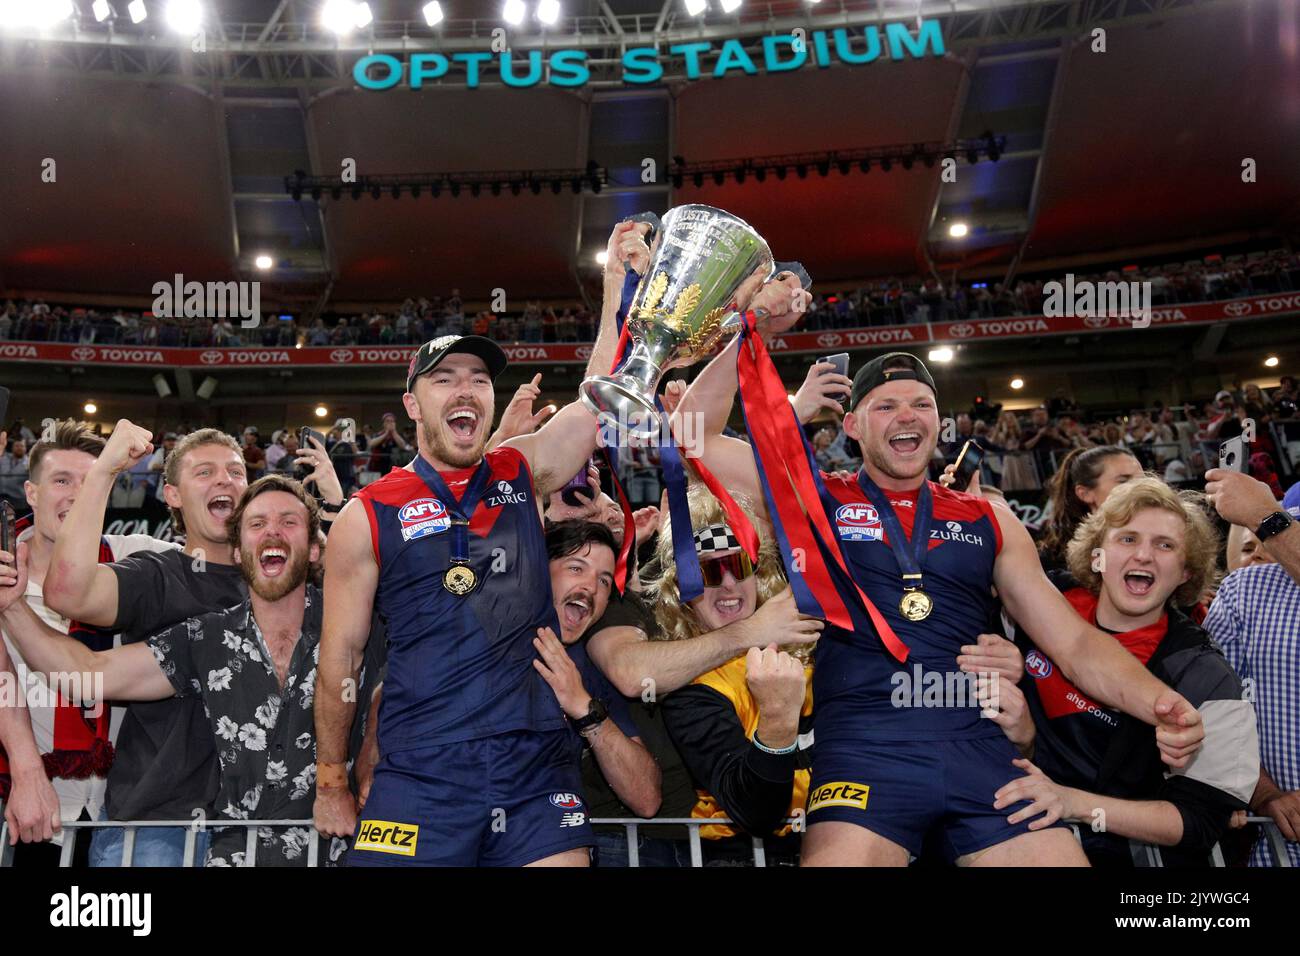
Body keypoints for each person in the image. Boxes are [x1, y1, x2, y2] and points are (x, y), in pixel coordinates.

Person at [676, 339, 1205, 867]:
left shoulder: (989, 518)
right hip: (865, 753)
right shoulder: (815, 499)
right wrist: (750, 328)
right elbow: (690, 431)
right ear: (853, 427)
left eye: (921, 404)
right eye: (885, 405)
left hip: (978, 749)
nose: (906, 415)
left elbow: (1075, 644)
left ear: (938, 422)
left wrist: (1163, 705)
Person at [313, 220, 650, 867]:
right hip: (422, 776)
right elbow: (340, 664)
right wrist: (331, 778)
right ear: (411, 405)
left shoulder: (518, 470)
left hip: (534, 774)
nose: (465, 389)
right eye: (445, 379)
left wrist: (615, 289)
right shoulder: (368, 514)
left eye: (477, 379)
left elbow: (595, 400)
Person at [0, 475, 361, 866]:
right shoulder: (206, 637)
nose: (272, 530)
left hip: (344, 847)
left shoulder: (356, 625)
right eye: (256, 525)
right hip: (235, 855)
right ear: (239, 553)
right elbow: (89, 671)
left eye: (289, 522)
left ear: (312, 549)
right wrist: (13, 608)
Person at [990, 478, 1257, 866]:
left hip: (1121, 856)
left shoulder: (1205, 671)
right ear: (1097, 555)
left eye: (1165, 545)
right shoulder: (1043, 602)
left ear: (1186, 571)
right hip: (1008, 827)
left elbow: (1198, 821)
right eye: (1127, 539)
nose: (1144, 556)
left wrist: (1073, 803)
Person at [0, 421, 179, 866]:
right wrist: (26, 772)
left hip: (112, 814)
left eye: (91, 481)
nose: (78, 495)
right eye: (61, 481)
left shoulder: (138, 559)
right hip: (19, 807)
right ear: (33, 492)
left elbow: (222, 561)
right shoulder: (3, 570)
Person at [650, 485, 815, 865]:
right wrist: (776, 721)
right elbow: (756, 812)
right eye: (708, 571)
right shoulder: (691, 685)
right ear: (681, 590)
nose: (727, 585)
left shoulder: (811, 641)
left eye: (738, 566)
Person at [1203, 474, 1300, 866]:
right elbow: (1211, 708)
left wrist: (1263, 513)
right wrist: (1264, 792)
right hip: (1281, 847)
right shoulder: (1247, 589)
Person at [539, 520, 660, 824]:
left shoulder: (589, 668)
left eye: (605, 581)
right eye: (576, 568)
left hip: (543, 834)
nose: (591, 587)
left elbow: (646, 799)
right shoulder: (484, 637)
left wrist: (583, 707)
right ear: (540, 570)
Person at [1037, 445, 1143, 573]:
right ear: (1085, 494)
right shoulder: (1056, 562)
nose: (1140, 487)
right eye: (1123, 481)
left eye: (1142, 480)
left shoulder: (1163, 537)